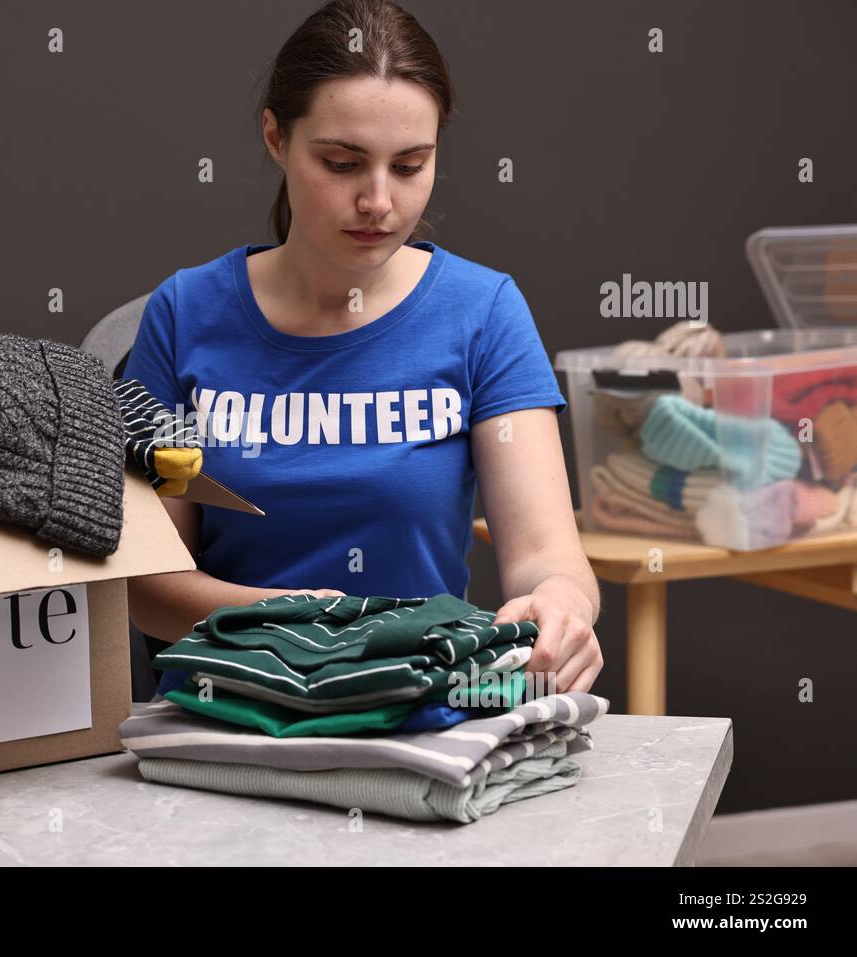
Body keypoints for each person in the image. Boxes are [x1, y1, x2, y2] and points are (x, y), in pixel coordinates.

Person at [124, 0, 602, 695]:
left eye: (410, 166)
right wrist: (319, 623)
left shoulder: (482, 312)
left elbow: (546, 554)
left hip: (414, 710)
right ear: (276, 138)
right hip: (228, 715)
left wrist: (564, 605)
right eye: (342, 163)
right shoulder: (185, 313)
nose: (379, 201)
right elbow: (149, 585)